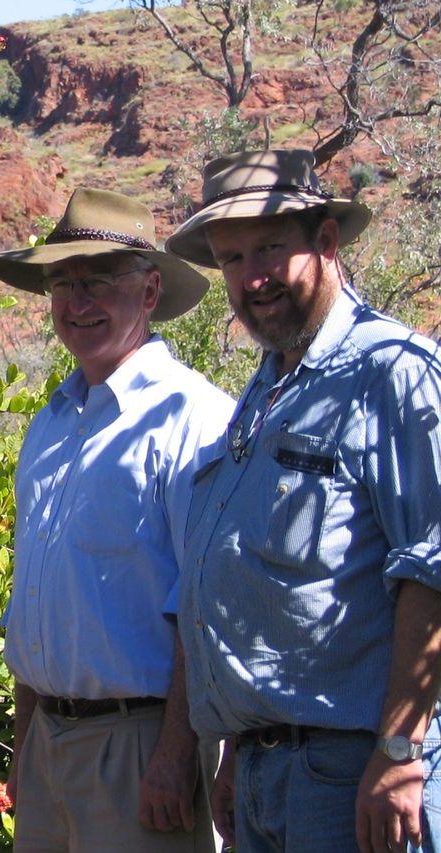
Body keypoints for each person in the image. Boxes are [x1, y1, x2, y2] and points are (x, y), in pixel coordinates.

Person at [168, 148, 441, 853]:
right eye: (231, 258)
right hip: (269, 769)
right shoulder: (267, 387)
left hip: (354, 771)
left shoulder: (393, 373)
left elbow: (432, 567)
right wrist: (237, 750)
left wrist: (399, 752)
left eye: (269, 248)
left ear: (326, 242)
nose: (251, 277)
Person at [0, 187, 233, 852]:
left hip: (143, 747)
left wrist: (175, 754)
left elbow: (202, 604)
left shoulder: (192, 419)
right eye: (61, 283)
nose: (76, 303)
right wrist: (24, 745)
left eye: (97, 280)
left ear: (150, 291)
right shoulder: (52, 422)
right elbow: (36, 596)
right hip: (48, 746)